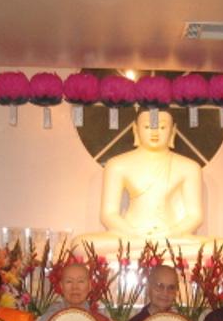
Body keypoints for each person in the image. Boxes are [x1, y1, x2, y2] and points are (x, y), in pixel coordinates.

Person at [75, 109, 209, 254]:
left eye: (162, 127)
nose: (155, 132)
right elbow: (108, 214)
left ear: (173, 130)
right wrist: (135, 233)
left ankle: (153, 246)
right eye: (147, 127)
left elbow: (195, 216)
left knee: (221, 247)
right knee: (80, 245)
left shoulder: (189, 167)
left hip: (169, 236)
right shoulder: (117, 164)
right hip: (131, 235)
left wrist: (170, 233)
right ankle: (148, 246)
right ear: (135, 129)